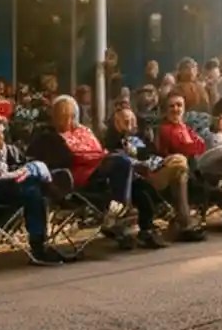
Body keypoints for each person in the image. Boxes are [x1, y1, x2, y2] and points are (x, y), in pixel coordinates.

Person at [29, 96, 163, 249]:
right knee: (122, 162)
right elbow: (68, 158)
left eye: (71, 114)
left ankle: (146, 228)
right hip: (81, 178)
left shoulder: (83, 131)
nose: (68, 119)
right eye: (63, 115)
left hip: (102, 171)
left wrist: (97, 155)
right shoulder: (49, 137)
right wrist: (94, 156)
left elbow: (98, 149)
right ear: (54, 116)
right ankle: (117, 216)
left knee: (138, 184)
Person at [0, 119, 71, 264]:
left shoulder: (8, 151)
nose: (3, 137)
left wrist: (21, 172)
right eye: (0, 133)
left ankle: (39, 246)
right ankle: (39, 245)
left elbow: (21, 165)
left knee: (32, 188)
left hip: (12, 191)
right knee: (31, 186)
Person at [105, 106, 204, 242]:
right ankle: (183, 222)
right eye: (126, 122)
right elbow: (125, 161)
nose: (130, 125)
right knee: (180, 163)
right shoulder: (114, 141)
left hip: (157, 168)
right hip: (144, 175)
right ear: (116, 124)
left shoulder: (140, 137)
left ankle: (182, 220)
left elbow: (150, 152)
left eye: (132, 121)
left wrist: (160, 159)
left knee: (180, 171)